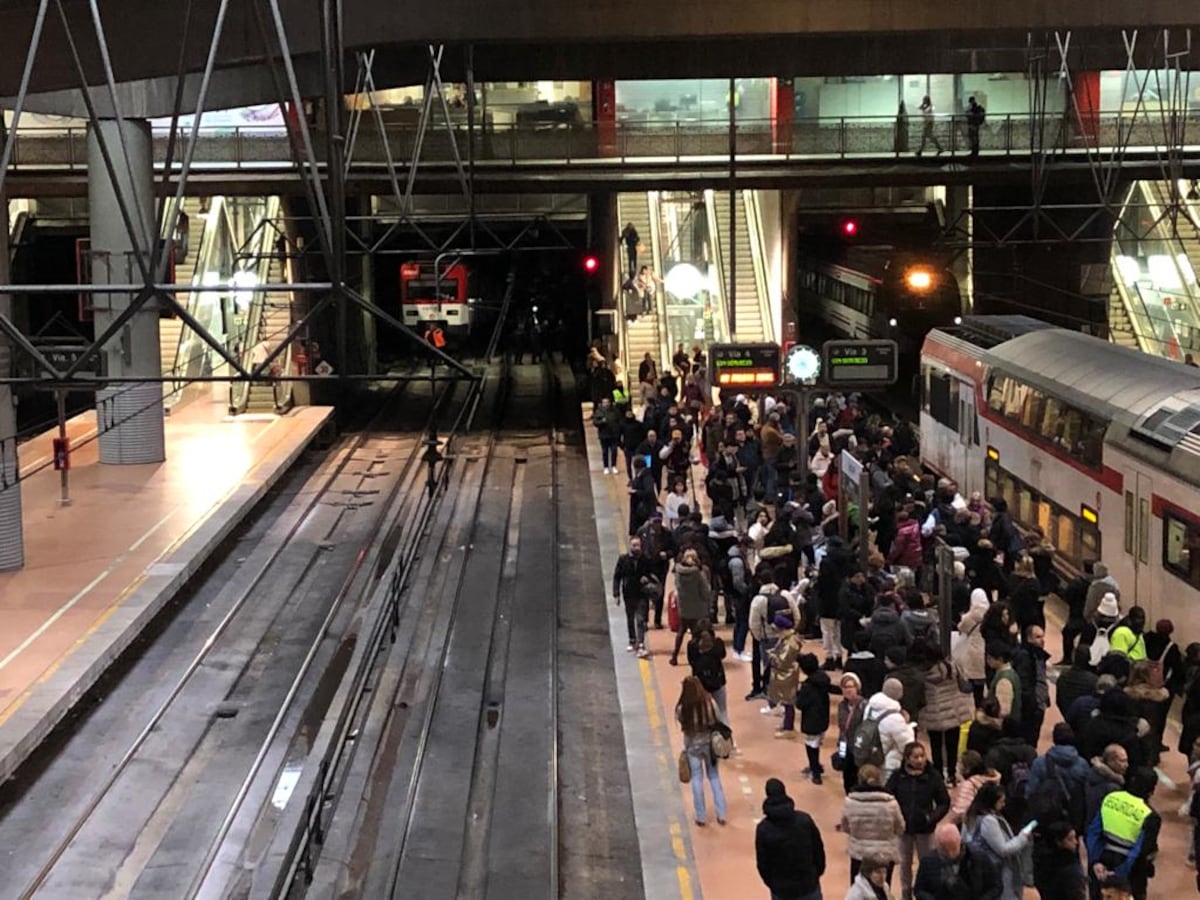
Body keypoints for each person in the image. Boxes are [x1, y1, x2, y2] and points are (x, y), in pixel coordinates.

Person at [1085, 766, 1160, 900]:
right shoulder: (1150, 815)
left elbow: (1092, 833)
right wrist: (1119, 874)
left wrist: (1095, 861)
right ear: (1151, 790)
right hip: (1130, 874)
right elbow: (1140, 851)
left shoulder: (1110, 798)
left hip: (1101, 864)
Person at [888, 742, 951, 900]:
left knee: (927, 863)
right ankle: (906, 894)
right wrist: (896, 818)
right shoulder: (897, 776)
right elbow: (888, 797)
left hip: (925, 830)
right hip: (903, 830)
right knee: (904, 864)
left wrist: (931, 818)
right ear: (907, 758)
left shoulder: (933, 776)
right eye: (915, 757)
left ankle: (925, 894)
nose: (920, 760)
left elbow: (944, 802)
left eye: (922, 756)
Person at [756, 777, 826, 900]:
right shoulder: (804, 820)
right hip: (809, 886)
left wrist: (774, 885)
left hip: (782, 891)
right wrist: (815, 875)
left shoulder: (763, 829)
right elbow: (819, 850)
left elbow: (763, 864)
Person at [961, 781, 1033, 900]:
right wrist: (1023, 837)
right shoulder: (989, 821)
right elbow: (1003, 849)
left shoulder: (969, 815)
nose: (1004, 805)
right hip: (995, 871)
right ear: (991, 802)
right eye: (1001, 802)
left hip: (975, 868)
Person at [676, 676, 728, 826]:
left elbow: (682, 725)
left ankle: (700, 816)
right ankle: (722, 813)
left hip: (693, 746)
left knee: (697, 779)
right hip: (710, 746)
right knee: (714, 776)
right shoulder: (710, 704)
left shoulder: (682, 708)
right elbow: (718, 720)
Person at [840, 763, 904, 886]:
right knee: (882, 891)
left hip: (859, 854)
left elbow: (845, 827)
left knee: (858, 891)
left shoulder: (850, 802)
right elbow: (900, 828)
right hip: (884, 854)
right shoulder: (891, 803)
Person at [919, 647, 974, 784]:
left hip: (933, 711)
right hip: (953, 710)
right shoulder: (952, 667)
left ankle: (938, 776)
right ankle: (951, 774)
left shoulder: (924, 672)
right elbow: (963, 685)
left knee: (936, 745)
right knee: (952, 744)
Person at [913, 821, 1002, 900]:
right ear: (937, 846)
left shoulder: (979, 857)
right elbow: (919, 890)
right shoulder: (928, 861)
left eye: (954, 848)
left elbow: (996, 886)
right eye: (945, 850)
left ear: (960, 841)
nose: (950, 854)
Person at [611, 536, 659, 657]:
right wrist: (616, 594)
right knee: (630, 618)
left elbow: (652, 576)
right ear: (630, 546)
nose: (636, 548)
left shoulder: (646, 560)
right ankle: (632, 640)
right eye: (634, 545)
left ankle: (641, 643)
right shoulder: (623, 560)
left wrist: (647, 580)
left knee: (641, 619)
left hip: (642, 594)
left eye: (638, 545)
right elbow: (617, 577)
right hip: (628, 594)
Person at [670, 549, 714, 665]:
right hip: (697, 608)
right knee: (696, 634)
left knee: (681, 632)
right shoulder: (699, 574)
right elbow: (706, 592)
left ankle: (674, 656)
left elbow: (677, 586)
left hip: (683, 607)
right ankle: (694, 658)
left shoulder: (678, 572)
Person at [796, 653, 834, 784]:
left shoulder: (807, 686)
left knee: (812, 746)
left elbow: (800, 704)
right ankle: (816, 766)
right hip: (824, 718)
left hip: (811, 721)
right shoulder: (824, 680)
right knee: (817, 743)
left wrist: (798, 693)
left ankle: (815, 771)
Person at [1012, 624, 1049, 748]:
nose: (1042, 640)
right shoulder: (1025, 656)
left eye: (1042, 636)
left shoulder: (1039, 655)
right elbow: (1025, 683)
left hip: (1039, 704)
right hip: (1032, 707)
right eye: (1038, 637)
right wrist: (1032, 703)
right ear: (1029, 638)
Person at [1032, 820, 1087, 900]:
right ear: (1059, 842)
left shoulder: (1040, 861)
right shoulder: (1071, 869)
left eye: (1075, 838)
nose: (1075, 842)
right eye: (1070, 839)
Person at [687, 620, 728, 720]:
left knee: (702, 712)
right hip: (717, 681)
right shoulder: (718, 643)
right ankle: (725, 733)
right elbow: (723, 655)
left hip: (700, 683)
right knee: (721, 710)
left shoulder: (692, 645)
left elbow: (691, 662)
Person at [948, 750, 1000, 826]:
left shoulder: (968, 786)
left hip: (969, 826)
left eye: (959, 763)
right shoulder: (990, 780)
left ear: (967, 769)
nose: (957, 766)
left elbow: (959, 812)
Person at [985, 641, 1021, 726]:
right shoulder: (1009, 673)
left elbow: (1003, 711)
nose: (987, 661)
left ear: (1000, 659)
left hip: (1005, 728)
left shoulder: (1004, 680)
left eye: (989, 658)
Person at [593, 397, 622, 474]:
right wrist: (601, 422)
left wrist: (619, 432)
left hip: (613, 435)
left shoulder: (615, 411)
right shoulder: (598, 411)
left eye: (607, 402)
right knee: (605, 451)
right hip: (604, 435)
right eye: (604, 402)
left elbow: (619, 421)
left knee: (614, 451)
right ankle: (605, 467)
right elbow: (595, 422)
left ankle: (613, 466)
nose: (606, 404)